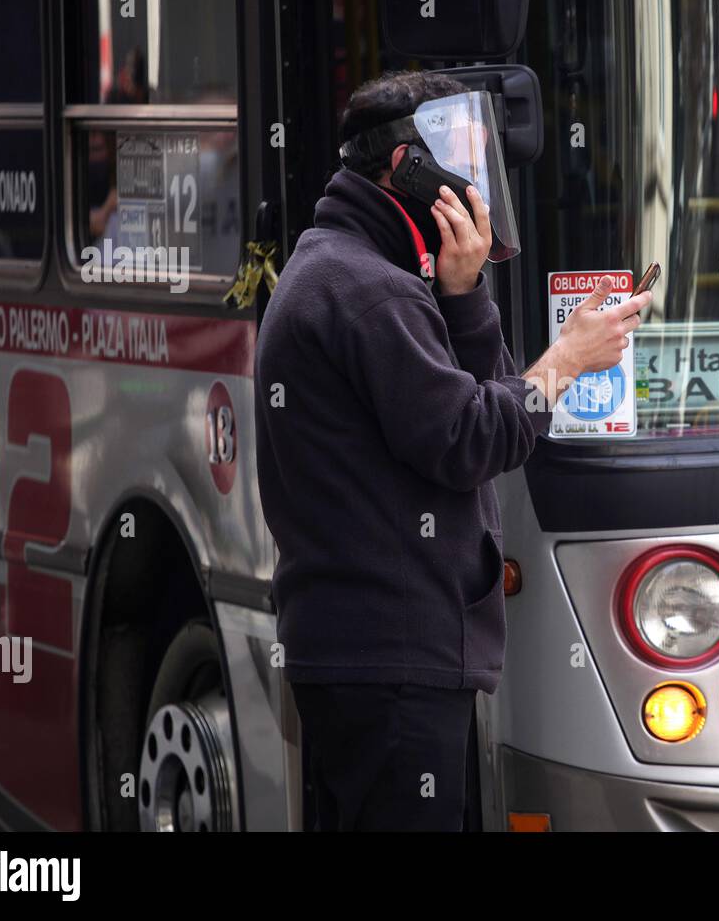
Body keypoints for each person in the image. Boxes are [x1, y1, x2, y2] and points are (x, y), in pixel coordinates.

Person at [253, 70, 650, 831]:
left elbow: (465, 408)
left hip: (362, 658)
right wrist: (566, 359)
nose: (478, 189)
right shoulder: (374, 291)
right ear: (410, 171)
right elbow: (472, 439)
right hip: (393, 660)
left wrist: (466, 296)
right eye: (464, 165)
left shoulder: (340, 264)